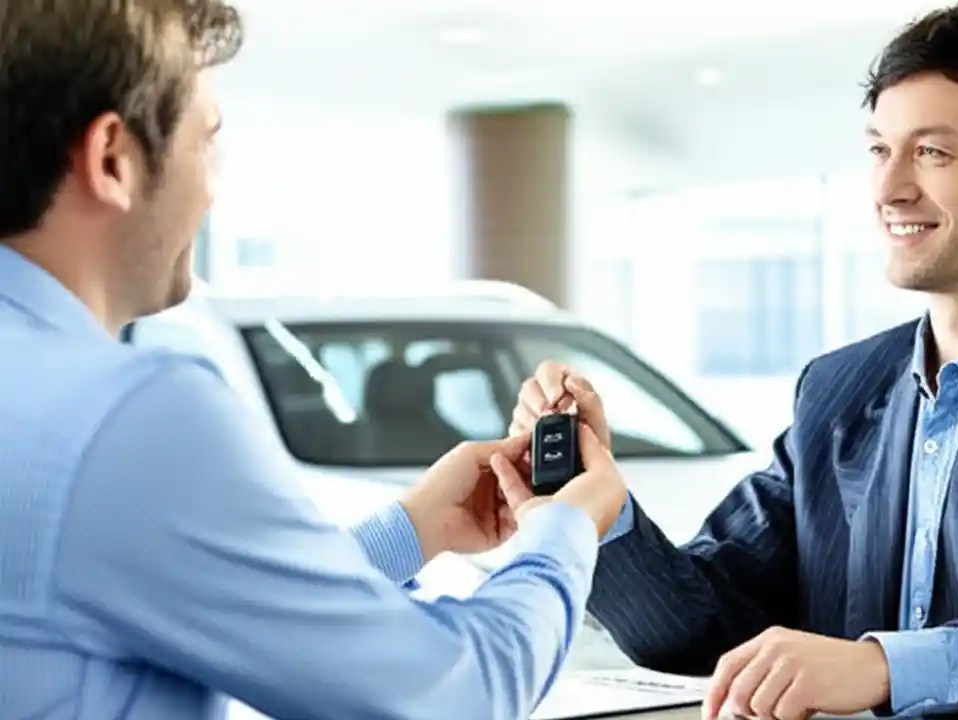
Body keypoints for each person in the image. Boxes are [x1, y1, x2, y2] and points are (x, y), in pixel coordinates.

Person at [508, 2, 958, 718]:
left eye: (931, 152)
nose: (889, 189)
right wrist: (592, 508)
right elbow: (695, 628)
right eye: (879, 150)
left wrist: (884, 667)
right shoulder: (839, 388)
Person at [0, 2, 626, 719]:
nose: (212, 191)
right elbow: (456, 695)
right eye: (206, 143)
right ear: (113, 160)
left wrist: (412, 530)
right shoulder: (128, 417)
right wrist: (562, 534)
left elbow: (204, 596)